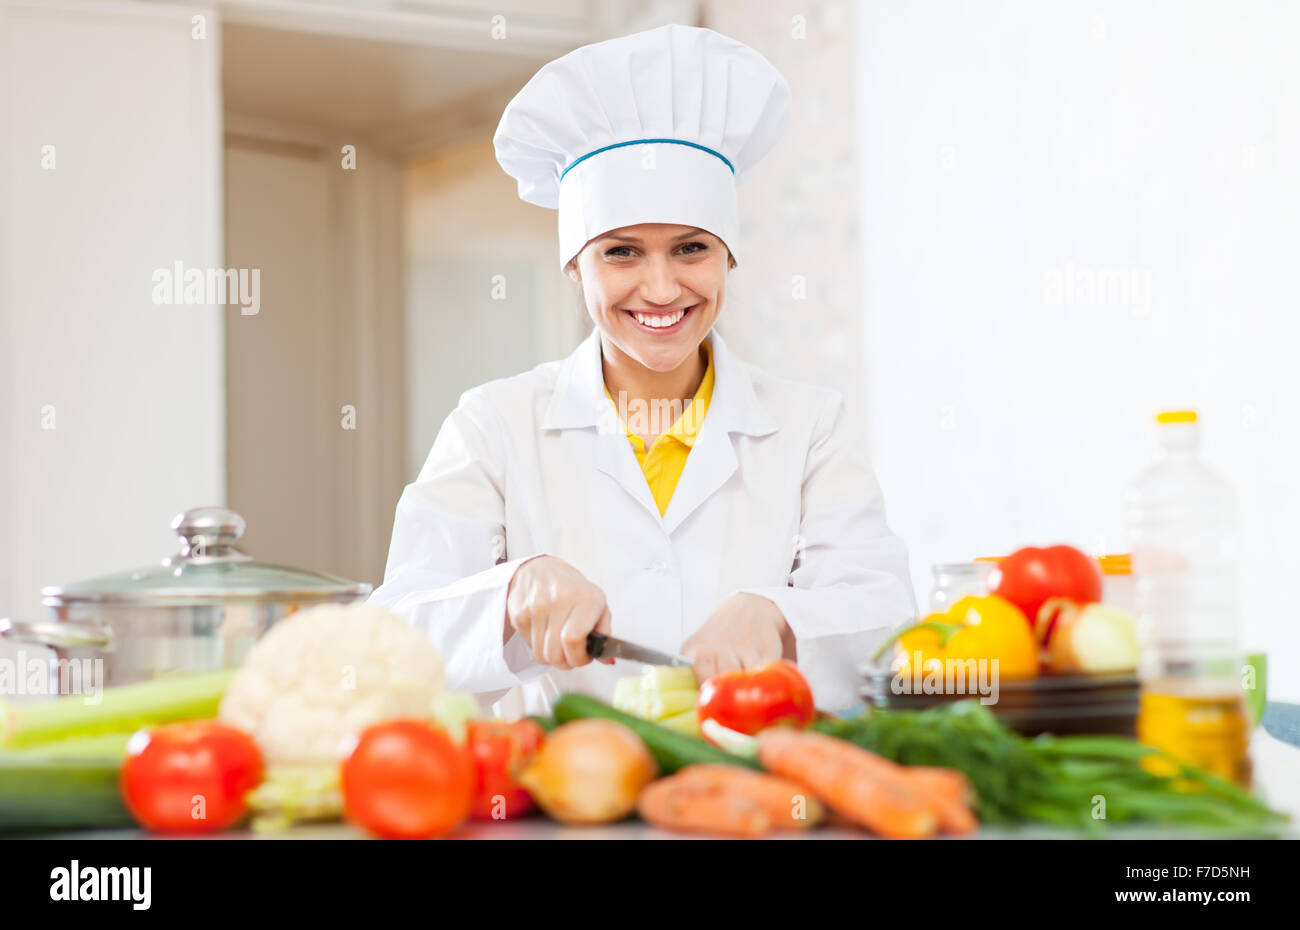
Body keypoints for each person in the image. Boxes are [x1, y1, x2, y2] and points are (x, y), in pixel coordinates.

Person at [370, 23, 917, 717]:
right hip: (562, 802)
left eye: (691, 249)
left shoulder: (810, 426)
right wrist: (509, 594)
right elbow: (392, 634)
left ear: (729, 257)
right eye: (622, 253)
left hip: (754, 793)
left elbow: (888, 620)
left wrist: (779, 616)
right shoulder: (494, 424)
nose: (660, 290)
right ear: (575, 265)